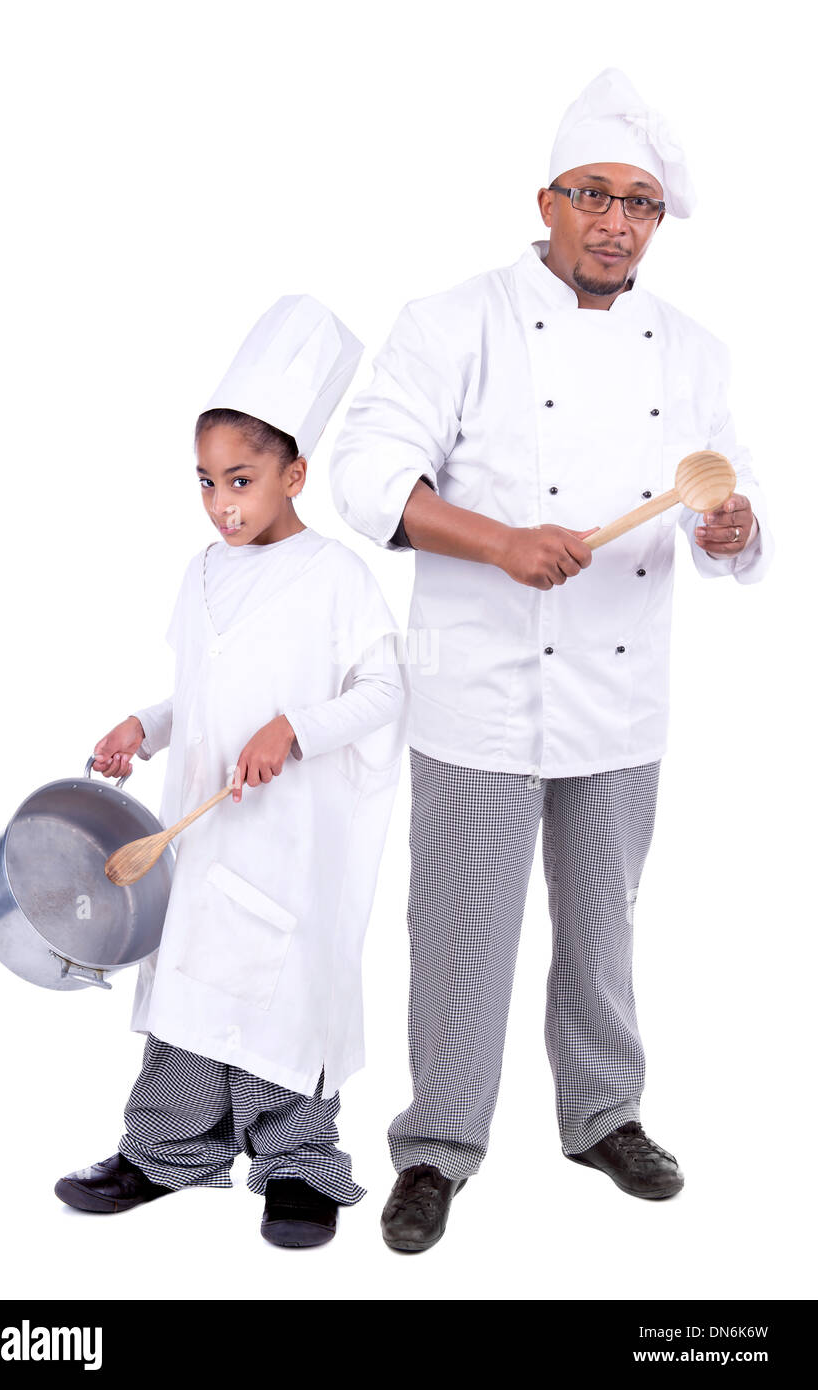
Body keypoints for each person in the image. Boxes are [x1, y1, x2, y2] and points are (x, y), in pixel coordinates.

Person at [329, 68, 774, 1253]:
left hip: (622, 698)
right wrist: (496, 540)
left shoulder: (692, 350)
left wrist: (735, 527)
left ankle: (604, 1113)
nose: (618, 220)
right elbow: (364, 472)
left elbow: (726, 485)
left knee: (607, 927)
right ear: (549, 199)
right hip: (477, 693)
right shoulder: (452, 321)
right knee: (461, 930)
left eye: (641, 202)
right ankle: (435, 1147)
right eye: (596, 195)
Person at [54, 295, 408, 1248]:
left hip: (290, 837)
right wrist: (145, 725)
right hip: (200, 833)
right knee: (190, 984)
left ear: (294, 474)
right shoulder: (202, 572)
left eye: (242, 480)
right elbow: (197, 692)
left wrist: (294, 726)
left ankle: (297, 1165)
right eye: (206, 482)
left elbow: (382, 691)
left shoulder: (335, 578)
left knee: (281, 989)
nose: (222, 503)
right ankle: (166, 1151)